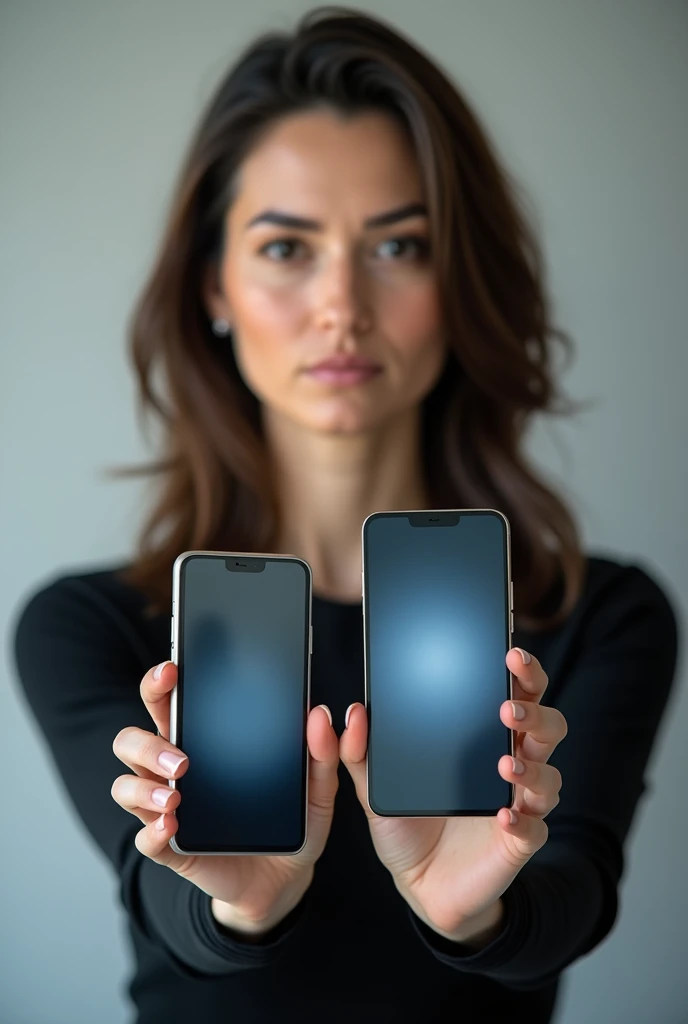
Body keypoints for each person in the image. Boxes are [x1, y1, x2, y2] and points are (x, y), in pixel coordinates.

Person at [11, 7, 679, 1024]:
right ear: (214, 286)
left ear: (458, 277)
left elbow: (574, 888)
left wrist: (475, 914)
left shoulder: (605, 610)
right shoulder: (88, 624)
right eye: (286, 247)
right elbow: (154, 897)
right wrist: (233, 907)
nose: (341, 307)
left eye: (399, 244)